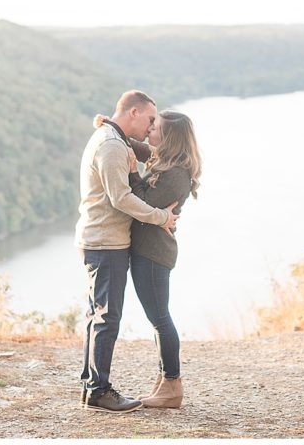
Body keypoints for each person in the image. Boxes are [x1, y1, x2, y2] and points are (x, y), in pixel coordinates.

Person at [75, 90, 179, 413]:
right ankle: (99, 391)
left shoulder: (112, 138)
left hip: (102, 240)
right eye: (149, 120)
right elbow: (121, 198)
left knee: (98, 315)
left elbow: (147, 155)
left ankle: (91, 386)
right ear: (133, 112)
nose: (150, 128)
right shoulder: (110, 146)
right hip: (106, 243)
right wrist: (162, 216)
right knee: (107, 317)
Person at [94, 109, 201, 409]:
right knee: (158, 319)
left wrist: (130, 171)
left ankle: (172, 385)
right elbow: (143, 150)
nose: (150, 129)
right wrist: (115, 128)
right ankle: (164, 380)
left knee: (160, 319)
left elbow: (143, 202)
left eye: (156, 127)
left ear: (168, 137)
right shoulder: (167, 162)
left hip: (153, 254)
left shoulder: (175, 173)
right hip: (147, 251)